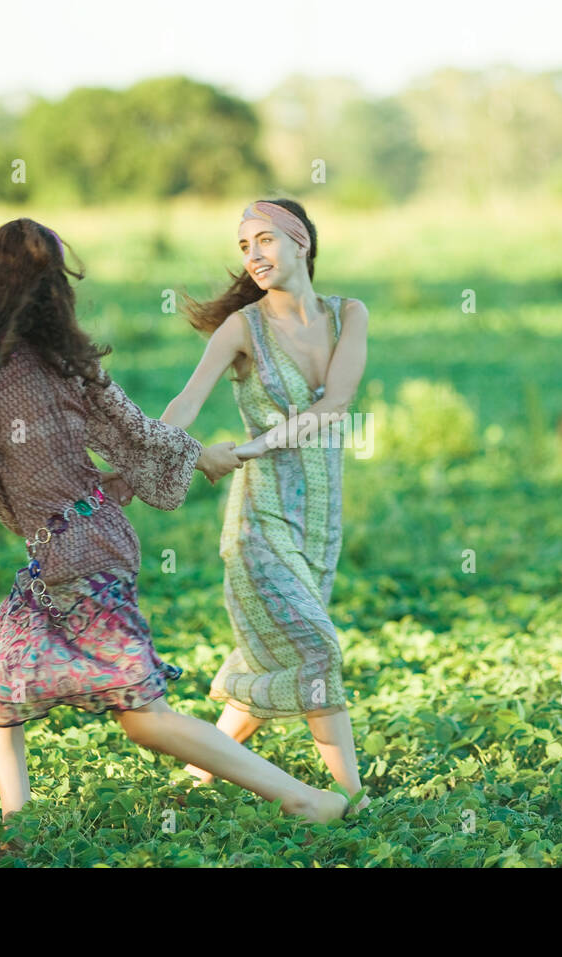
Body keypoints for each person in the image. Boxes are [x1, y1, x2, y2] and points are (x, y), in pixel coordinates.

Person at [0, 218, 355, 837]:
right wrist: (196, 456)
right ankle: (17, 824)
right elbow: (132, 439)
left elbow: (28, 464)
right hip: (61, 546)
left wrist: (185, 457)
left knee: (144, 718)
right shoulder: (38, 366)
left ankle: (302, 797)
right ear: (54, 291)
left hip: (86, 548)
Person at [111, 199, 371, 813]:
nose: (253, 255)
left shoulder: (348, 315)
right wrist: (137, 468)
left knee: (268, 650)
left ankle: (201, 777)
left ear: (300, 241)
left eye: (264, 240)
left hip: (321, 517)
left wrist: (249, 444)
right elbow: (181, 408)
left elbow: (334, 404)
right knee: (315, 647)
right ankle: (347, 799)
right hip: (259, 517)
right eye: (243, 246)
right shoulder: (241, 329)